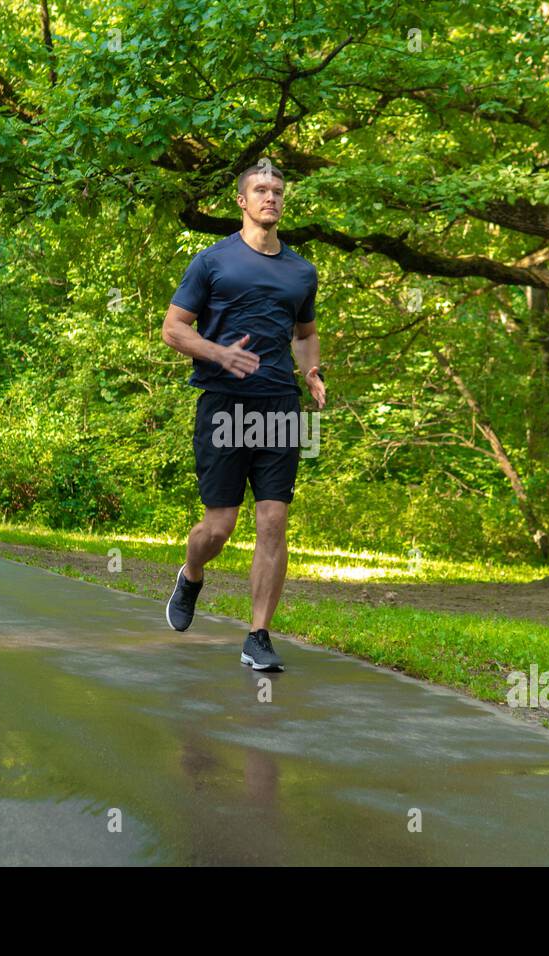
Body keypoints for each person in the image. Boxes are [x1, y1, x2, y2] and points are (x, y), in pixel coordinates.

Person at [160, 160, 325, 670]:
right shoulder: (212, 262)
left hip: (279, 405)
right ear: (242, 200)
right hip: (223, 406)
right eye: (260, 189)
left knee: (273, 519)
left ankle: (258, 636)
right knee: (219, 526)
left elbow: (305, 334)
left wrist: (312, 373)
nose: (270, 197)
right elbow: (173, 329)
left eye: (277, 190)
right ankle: (191, 574)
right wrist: (219, 353)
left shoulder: (302, 271)